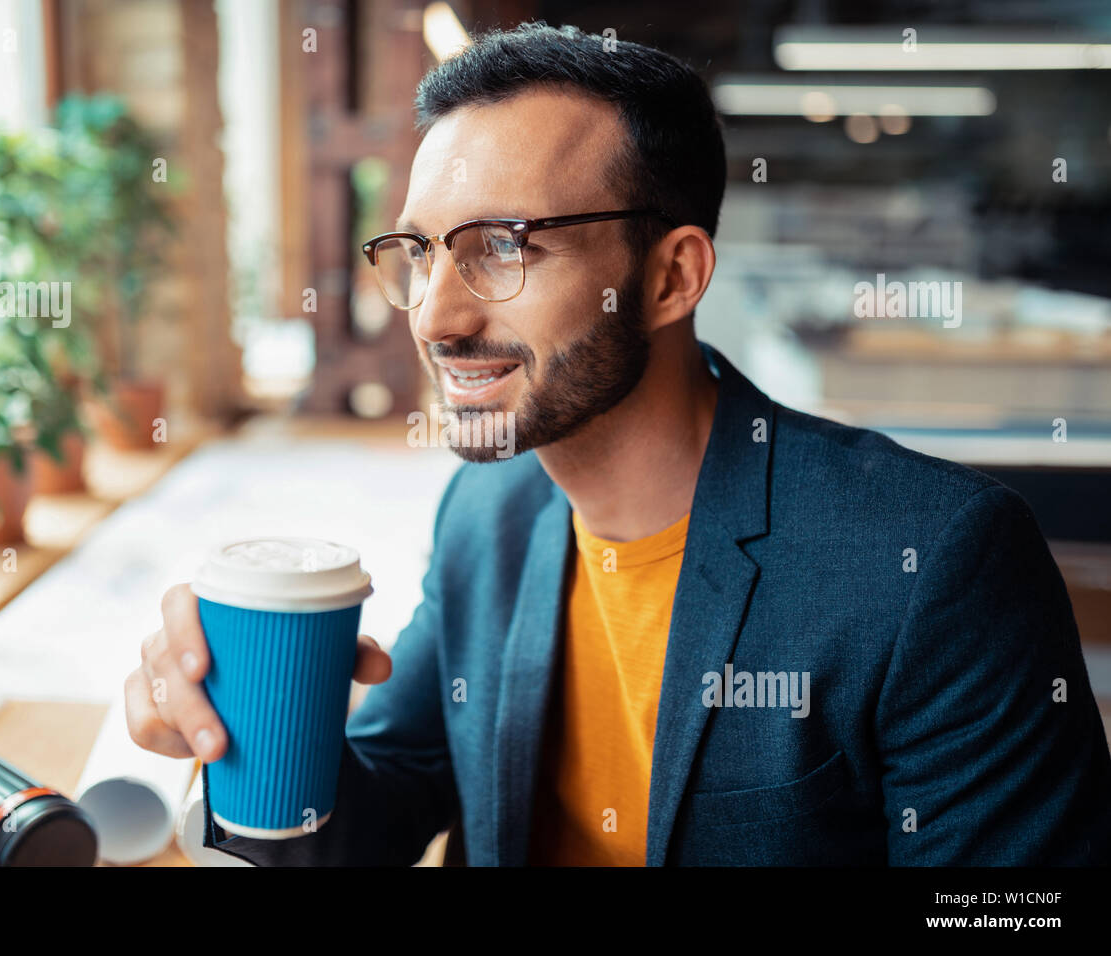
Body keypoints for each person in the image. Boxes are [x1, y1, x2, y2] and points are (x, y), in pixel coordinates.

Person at [125, 22, 1111, 865]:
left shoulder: (934, 561)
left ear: (671, 276)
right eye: (419, 252)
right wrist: (243, 737)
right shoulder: (488, 513)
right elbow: (382, 797)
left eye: (501, 248)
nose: (434, 316)